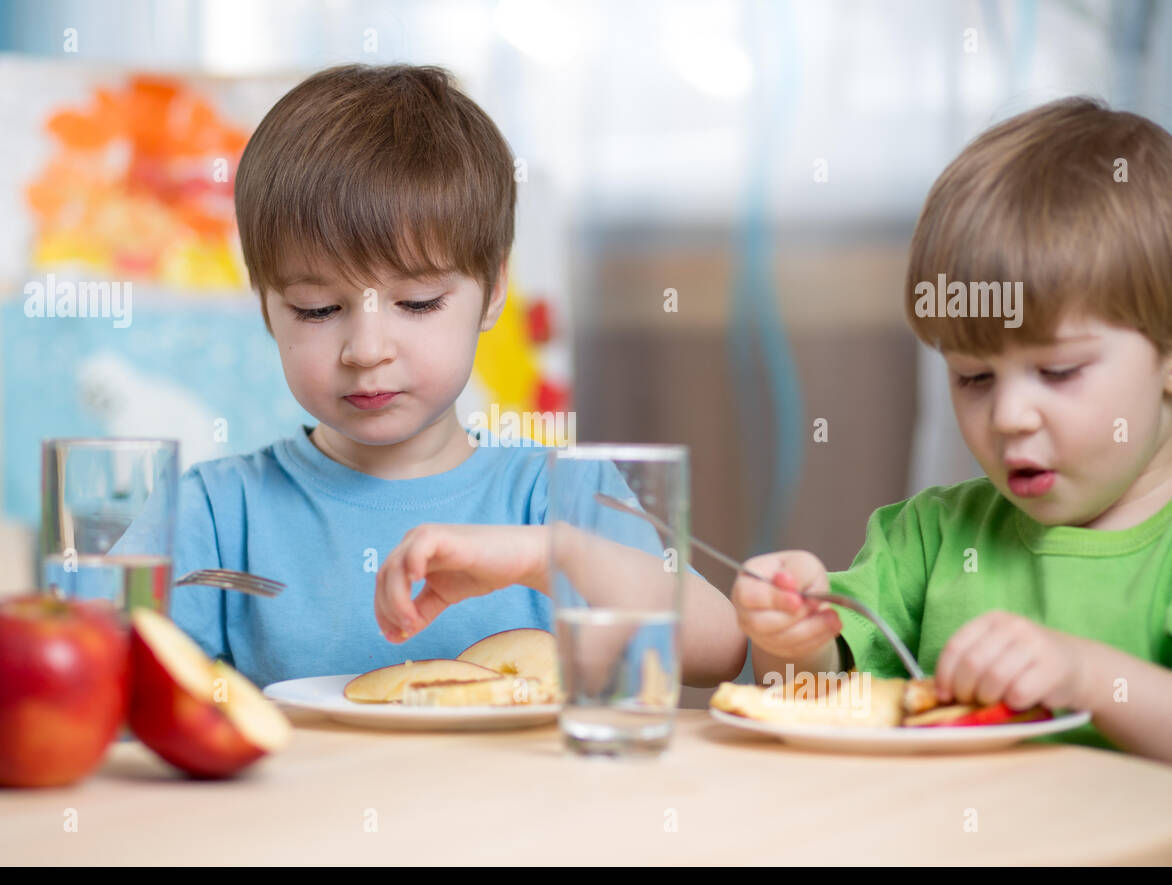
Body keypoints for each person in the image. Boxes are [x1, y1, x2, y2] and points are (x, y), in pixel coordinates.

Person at [143, 63, 744, 689]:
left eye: (419, 302)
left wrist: (550, 556)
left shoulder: (559, 496)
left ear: (493, 293)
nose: (367, 349)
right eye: (317, 309)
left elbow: (719, 649)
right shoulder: (212, 513)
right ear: (266, 303)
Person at [731, 98, 1172, 762]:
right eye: (973, 377)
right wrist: (791, 639)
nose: (1009, 416)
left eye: (1056, 371)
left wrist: (1085, 675)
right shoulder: (930, 540)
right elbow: (817, 695)